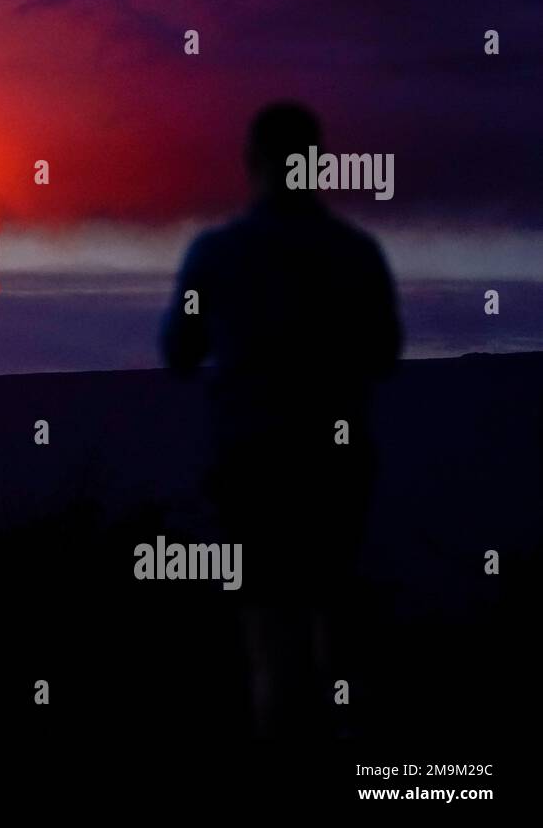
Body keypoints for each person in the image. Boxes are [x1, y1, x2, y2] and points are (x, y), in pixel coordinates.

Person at [161, 102, 402, 736]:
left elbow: (178, 353)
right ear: (318, 164)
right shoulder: (356, 252)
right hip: (336, 466)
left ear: (250, 164)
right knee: (332, 615)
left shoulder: (217, 254)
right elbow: (384, 353)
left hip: (254, 465)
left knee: (271, 636)